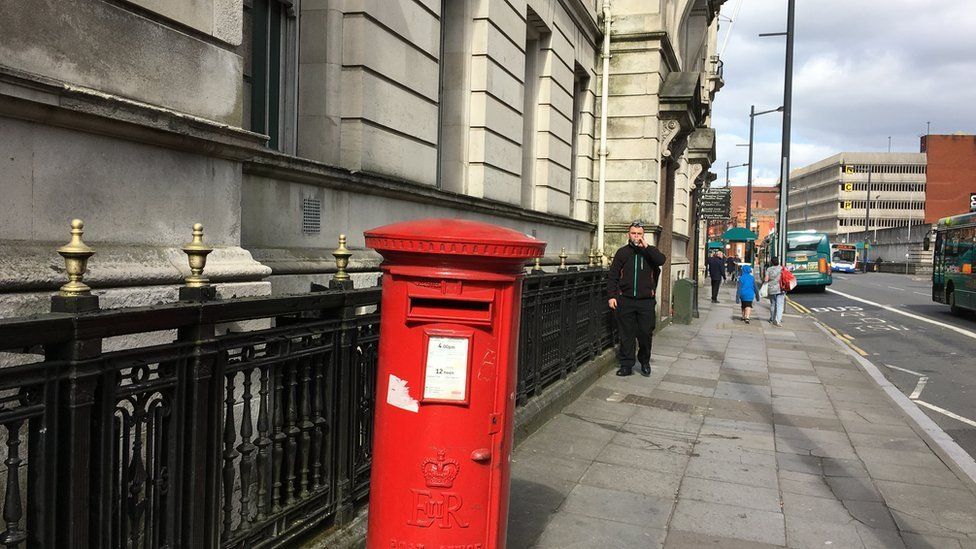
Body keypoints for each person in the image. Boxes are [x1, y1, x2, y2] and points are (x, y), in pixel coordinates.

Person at [607, 220, 667, 377]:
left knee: (645, 333)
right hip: (625, 299)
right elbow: (613, 275)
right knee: (626, 334)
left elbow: (661, 260)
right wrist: (612, 296)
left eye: (639, 234)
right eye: (633, 233)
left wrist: (646, 247)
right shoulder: (622, 253)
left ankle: (644, 361)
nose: (636, 236)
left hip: (646, 301)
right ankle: (626, 365)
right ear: (628, 234)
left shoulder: (650, 253)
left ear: (643, 235)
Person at [765, 257, 786, 326]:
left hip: (771, 288)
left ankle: (771, 318)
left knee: (773, 304)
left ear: (771, 262)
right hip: (781, 288)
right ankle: (777, 320)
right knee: (780, 305)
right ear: (778, 261)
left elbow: (766, 280)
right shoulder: (782, 268)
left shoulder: (768, 269)